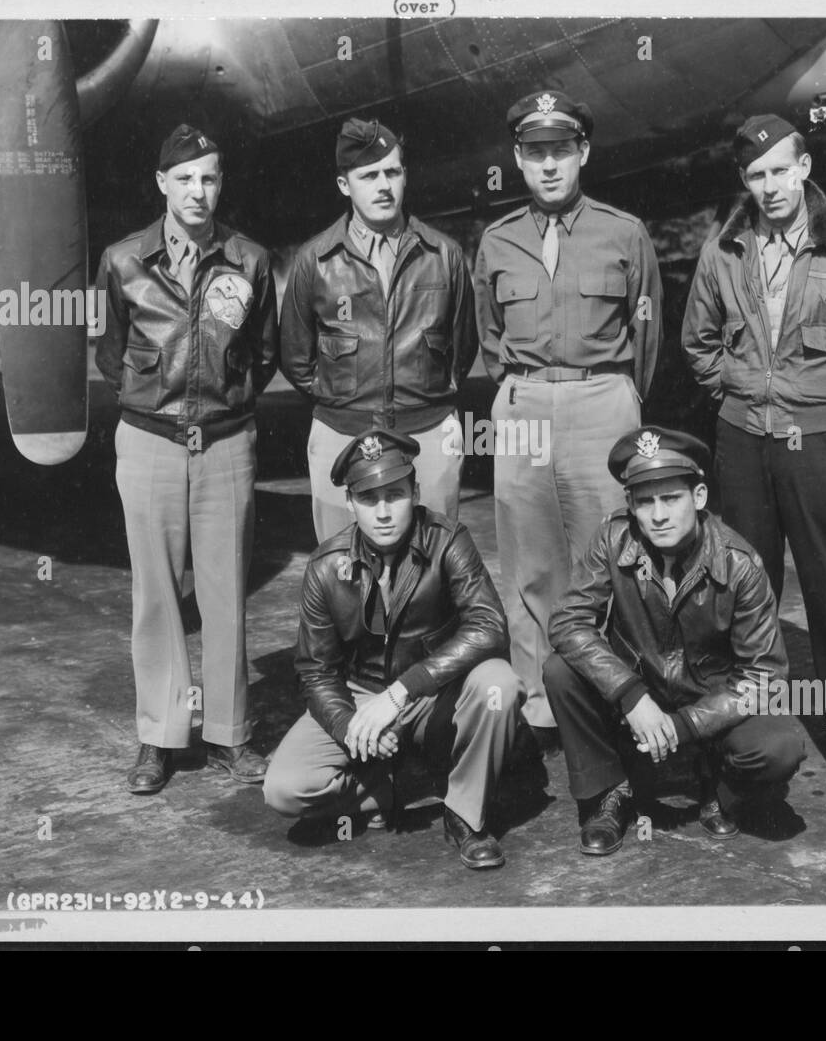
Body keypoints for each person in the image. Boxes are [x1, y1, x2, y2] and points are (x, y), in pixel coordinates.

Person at [681, 114, 826, 801]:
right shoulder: (723, 251)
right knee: (731, 590)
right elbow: (698, 344)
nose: (770, 185)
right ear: (745, 182)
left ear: (805, 168)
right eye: (756, 175)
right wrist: (735, 393)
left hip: (818, 444)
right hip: (741, 442)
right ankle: (740, 737)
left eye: (780, 170)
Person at [473, 90, 662, 751]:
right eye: (535, 153)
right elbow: (489, 336)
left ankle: (617, 702)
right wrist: (522, 395)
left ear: (583, 152)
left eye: (561, 151)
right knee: (530, 567)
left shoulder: (624, 232)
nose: (549, 165)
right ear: (518, 159)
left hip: (601, 401)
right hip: (524, 403)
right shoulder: (496, 241)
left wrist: (616, 401)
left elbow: (647, 333)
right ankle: (539, 710)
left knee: (611, 559)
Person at [95, 124, 279, 793]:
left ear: (220, 183)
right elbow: (112, 356)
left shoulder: (250, 260)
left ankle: (231, 733)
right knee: (155, 594)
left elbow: (262, 355)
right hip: (149, 441)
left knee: (227, 588)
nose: (198, 192)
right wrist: (156, 409)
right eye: (186, 179)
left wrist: (223, 408)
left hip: (227, 443)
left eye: (210, 177)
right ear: (161, 184)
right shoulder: (122, 261)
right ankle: (160, 735)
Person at [263, 429, 524, 869]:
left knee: (500, 685)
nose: (383, 512)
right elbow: (316, 671)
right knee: (285, 790)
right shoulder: (327, 567)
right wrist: (352, 728)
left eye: (395, 495)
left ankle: (465, 815)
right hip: (362, 697)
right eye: (368, 499)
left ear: (415, 492)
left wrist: (401, 693)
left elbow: (489, 626)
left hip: (434, 691)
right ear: (349, 503)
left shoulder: (447, 540)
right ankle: (391, 786)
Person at [545, 427, 806, 855]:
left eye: (671, 499)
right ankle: (608, 795)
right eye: (645, 502)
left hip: (710, 701)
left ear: (699, 497)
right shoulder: (613, 540)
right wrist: (629, 694)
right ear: (630, 505)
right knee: (560, 670)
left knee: (779, 746)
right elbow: (568, 622)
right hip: (638, 693)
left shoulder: (740, 564)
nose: (658, 515)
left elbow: (765, 676)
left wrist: (684, 726)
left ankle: (718, 787)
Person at [279, 118, 477, 542]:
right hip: (341, 435)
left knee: (433, 566)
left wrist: (425, 402)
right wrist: (343, 403)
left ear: (405, 176)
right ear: (344, 184)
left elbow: (463, 348)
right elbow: (296, 358)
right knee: (342, 568)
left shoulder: (444, 255)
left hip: (427, 434)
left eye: (393, 172)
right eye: (369, 175)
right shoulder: (315, 259)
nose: (383, 185)